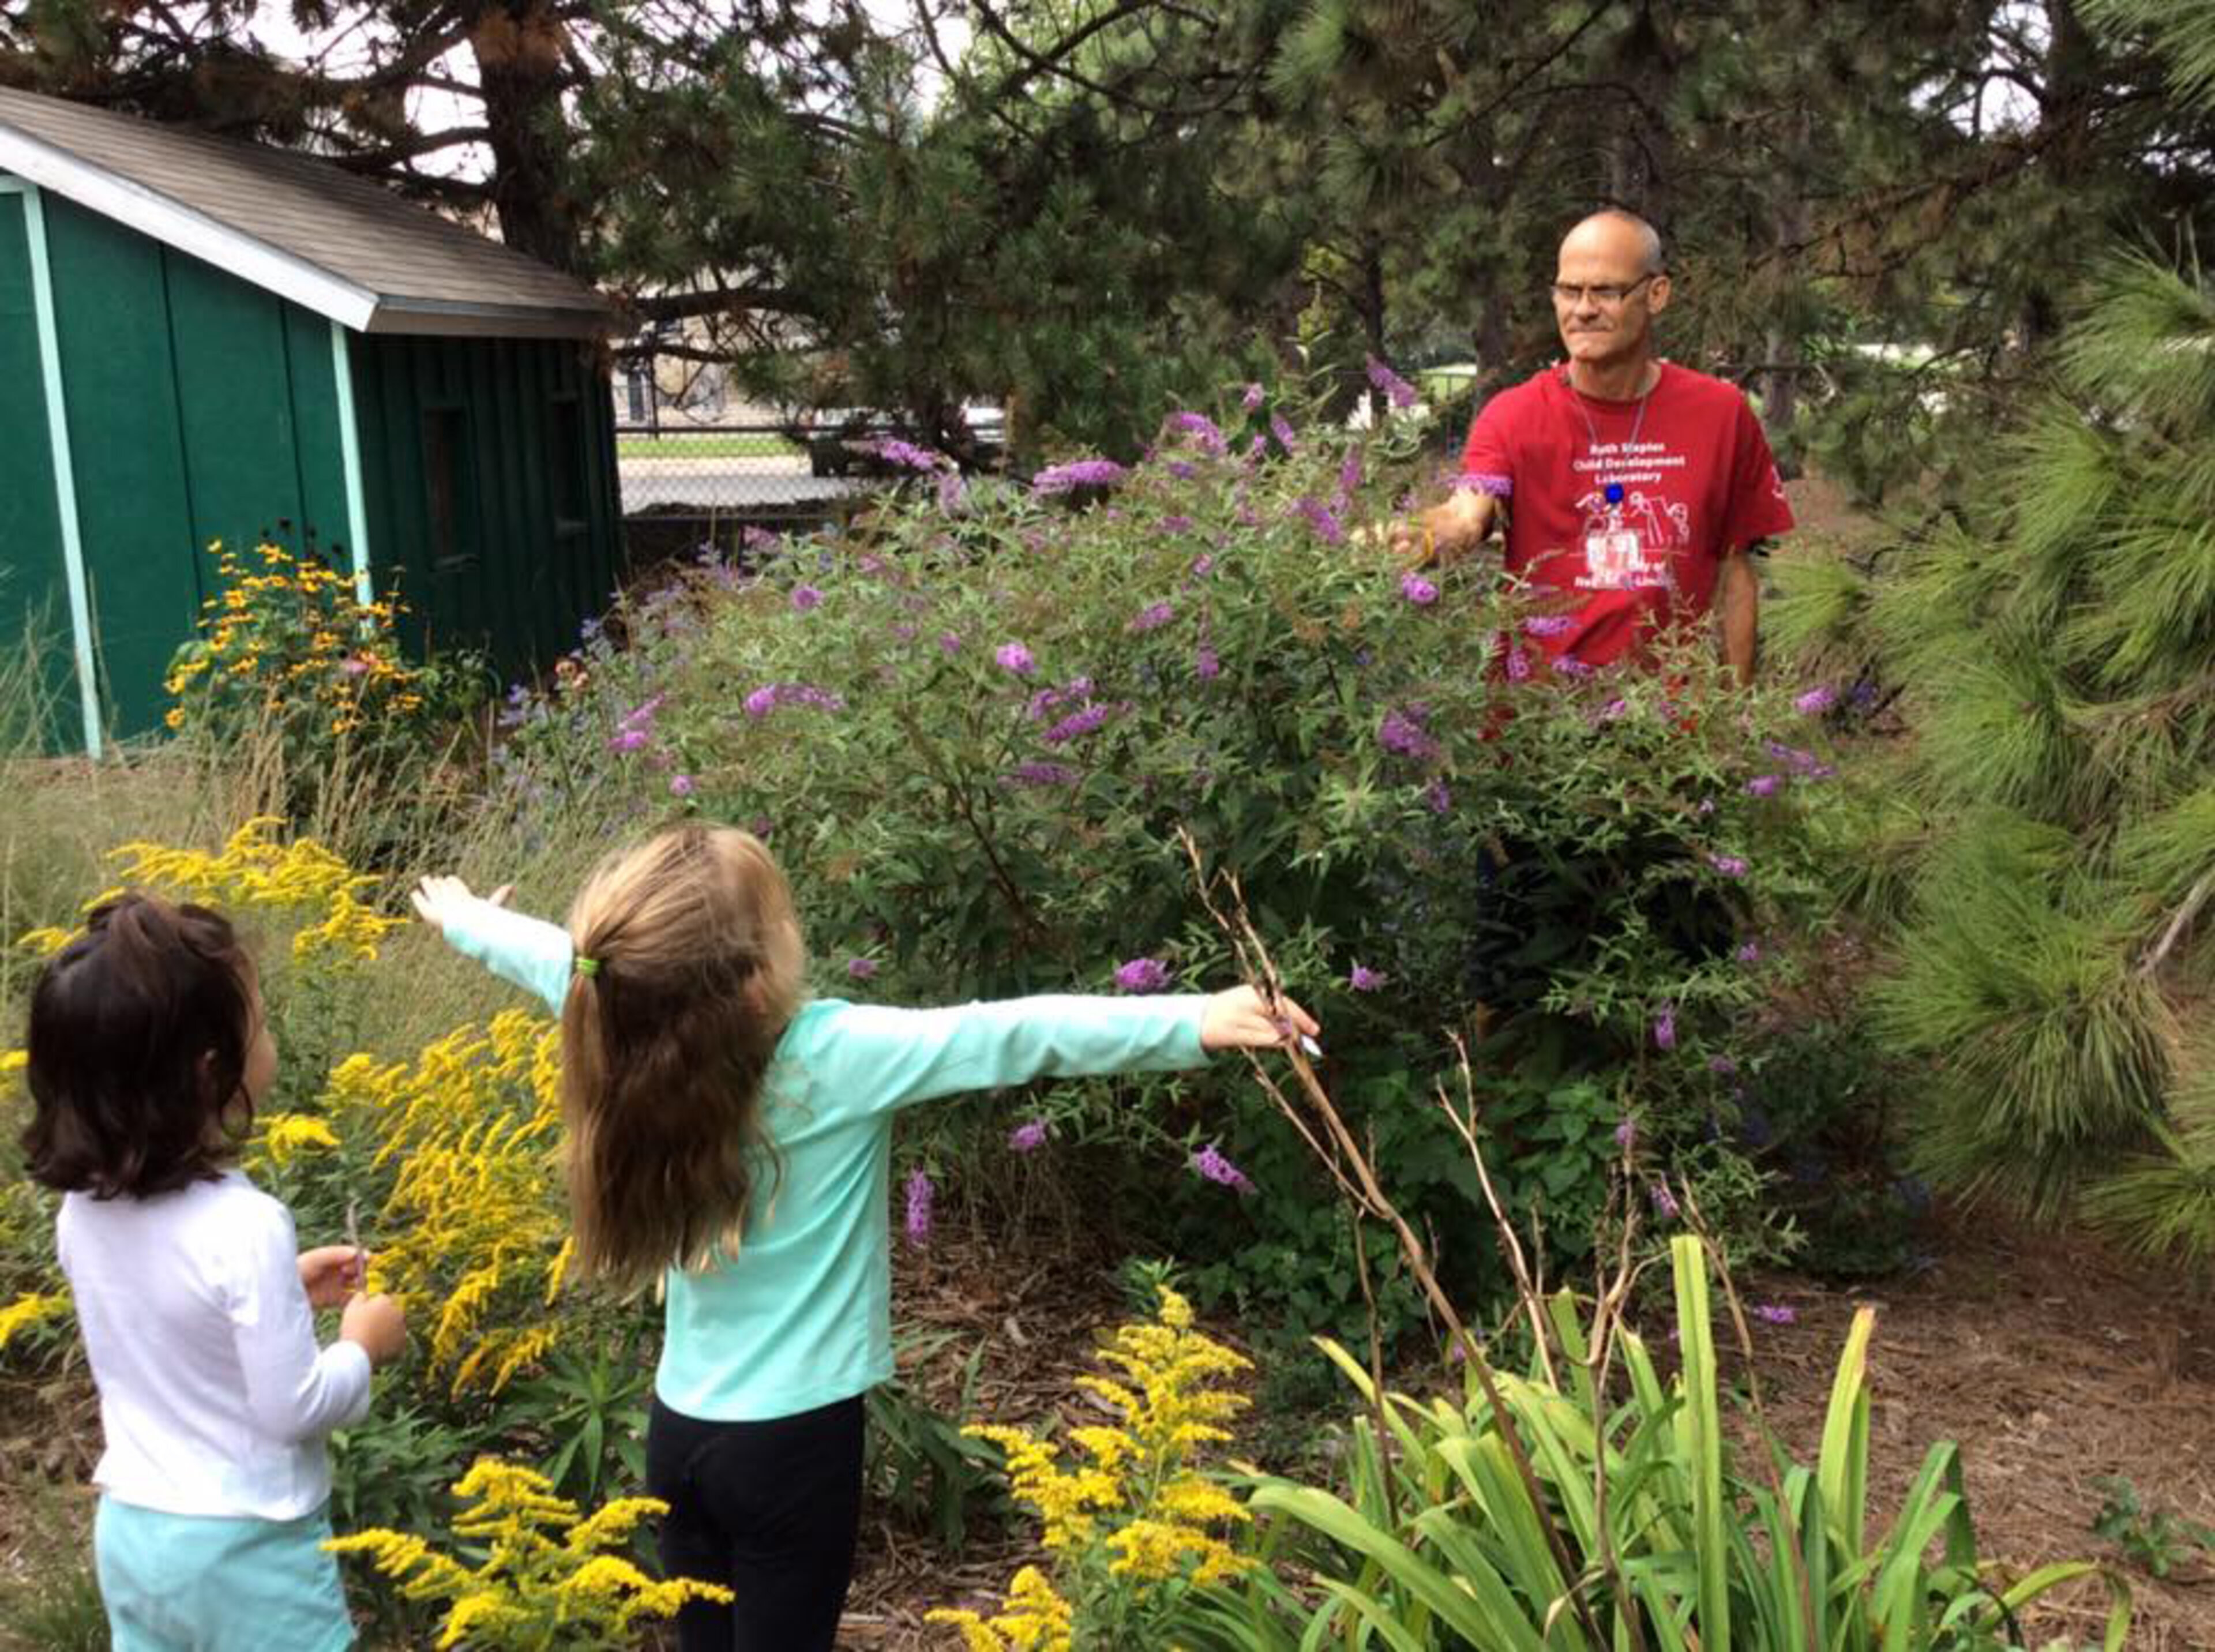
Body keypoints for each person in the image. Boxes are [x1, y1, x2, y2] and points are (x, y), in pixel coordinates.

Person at [408, 823, 1318, 1652]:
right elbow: (1012, 1034)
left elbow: (558, 961)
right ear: (758, 977)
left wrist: (462, 921)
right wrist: (1194, 1019)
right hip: (796, 1449)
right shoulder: (834, 1056)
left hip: (680, 1434)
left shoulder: (616, 1010)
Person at [21, 894, 408, 1652]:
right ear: (212, 1073)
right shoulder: (245, 1224)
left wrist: (282, 1288)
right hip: (248, 1548)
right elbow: (292, 1407)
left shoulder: (83, 1212)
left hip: (135, 1533)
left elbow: (156, 1317)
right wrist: (363, 1345)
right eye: (260, 1022)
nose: (270, 1035)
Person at [1396, 208, 1793, 684]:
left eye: (1605, 291)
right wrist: (1419, 538)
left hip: (1679, 736)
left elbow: (1734, 576)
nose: (1582, 309)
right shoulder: (1513, 416)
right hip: (1544, 729)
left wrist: (1737, 715)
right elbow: (1465, 515)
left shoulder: (1721, 413)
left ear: (1657, 294)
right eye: (1569, 290)